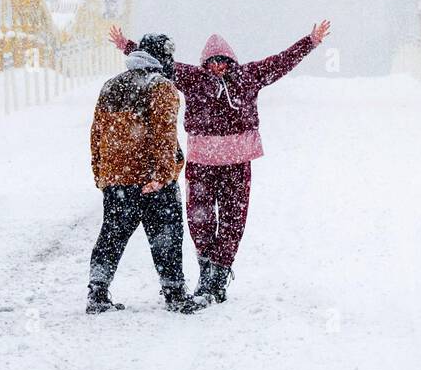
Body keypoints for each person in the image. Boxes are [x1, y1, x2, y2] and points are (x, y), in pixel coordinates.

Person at [109, 21, 331, 304]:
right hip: (202, 161)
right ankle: (206, 268)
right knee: (199, 218)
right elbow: (162, 64)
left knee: (233, 218)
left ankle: (219, 273)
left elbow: (281, 62)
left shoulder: (249, 76)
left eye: (222, 61)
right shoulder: (194, 79)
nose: (217, 67)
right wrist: (128, 46)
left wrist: (310, 41)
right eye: (212, 62)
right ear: (205, 63)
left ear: (230, 60)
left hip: (238, 162)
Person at [87, 33, 202, 315]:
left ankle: (97, 292)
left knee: (111, 235)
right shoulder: (161, 87)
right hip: (151, 178)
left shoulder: (110, 85)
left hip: (116, 178)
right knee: (166, 235)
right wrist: (162, 175)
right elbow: (164, 136)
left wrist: (101, 173)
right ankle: (175, 294)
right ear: (161, 56)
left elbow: (97, 132)